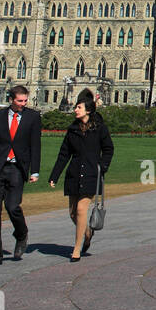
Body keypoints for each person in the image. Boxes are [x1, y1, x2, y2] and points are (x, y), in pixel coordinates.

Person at [0, 86, 41, 268]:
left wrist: (34, 171)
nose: (23, 104)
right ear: (11, 99)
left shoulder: (32, 117)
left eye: (25, 101)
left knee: (12, 207)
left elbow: (36, 145)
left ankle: (21, 234)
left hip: (17, 169)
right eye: (20, 101)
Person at [48, 90, 115, 261]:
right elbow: (64, 154)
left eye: (78, 107)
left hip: (91, 173)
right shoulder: (72, 130)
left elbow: (108, 149)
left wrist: (102, 166)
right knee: (72, 213)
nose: (75, 109)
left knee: (80, 209)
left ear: (88, 110)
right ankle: (87, 232)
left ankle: (76, 249)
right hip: (74, 172)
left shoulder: (100, 128)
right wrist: (54, 176)